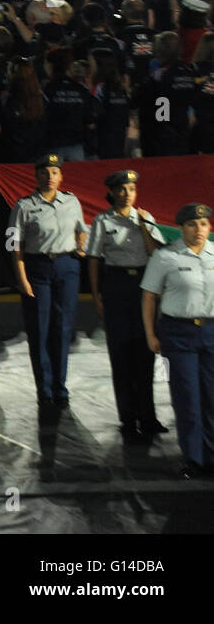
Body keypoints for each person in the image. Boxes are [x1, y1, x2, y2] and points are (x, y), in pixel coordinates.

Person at [86, 169, 164, 442]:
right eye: (122, 189)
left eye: (131, 189)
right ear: (112, 192)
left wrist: (143, 224)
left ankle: (149, 416)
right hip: (117, 286)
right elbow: (94, 258)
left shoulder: (145, 218)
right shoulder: (102, 221)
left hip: (143, 285)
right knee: (121, 354)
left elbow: (156, 252)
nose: (127, 194)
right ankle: (128, 417)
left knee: (145, 354)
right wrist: (96, 295)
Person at [9, 153, 88, 412]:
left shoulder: (72, 201)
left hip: (67, 266)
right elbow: (14, 246)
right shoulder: (23, 206)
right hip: (37, 268)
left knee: (63, 329)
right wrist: (21, 278)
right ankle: (44, 388)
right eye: (44, 172)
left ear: (61, 175)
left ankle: (61, 387)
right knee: (40, 330)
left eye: (54, 172)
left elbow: (81, 228)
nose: (50, 177)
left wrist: (81, 246)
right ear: (37, 176)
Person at [142, 202, 214, 478]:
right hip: (178, 335)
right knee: (186, 397)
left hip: (211, 332)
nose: (199, 229)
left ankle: (211, 454)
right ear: (181, 228)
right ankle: (193, 458)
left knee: (212, 397)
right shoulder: (165, 257)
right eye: (192, 225)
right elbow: (149, 295)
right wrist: (150, 334)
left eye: (204, 224)